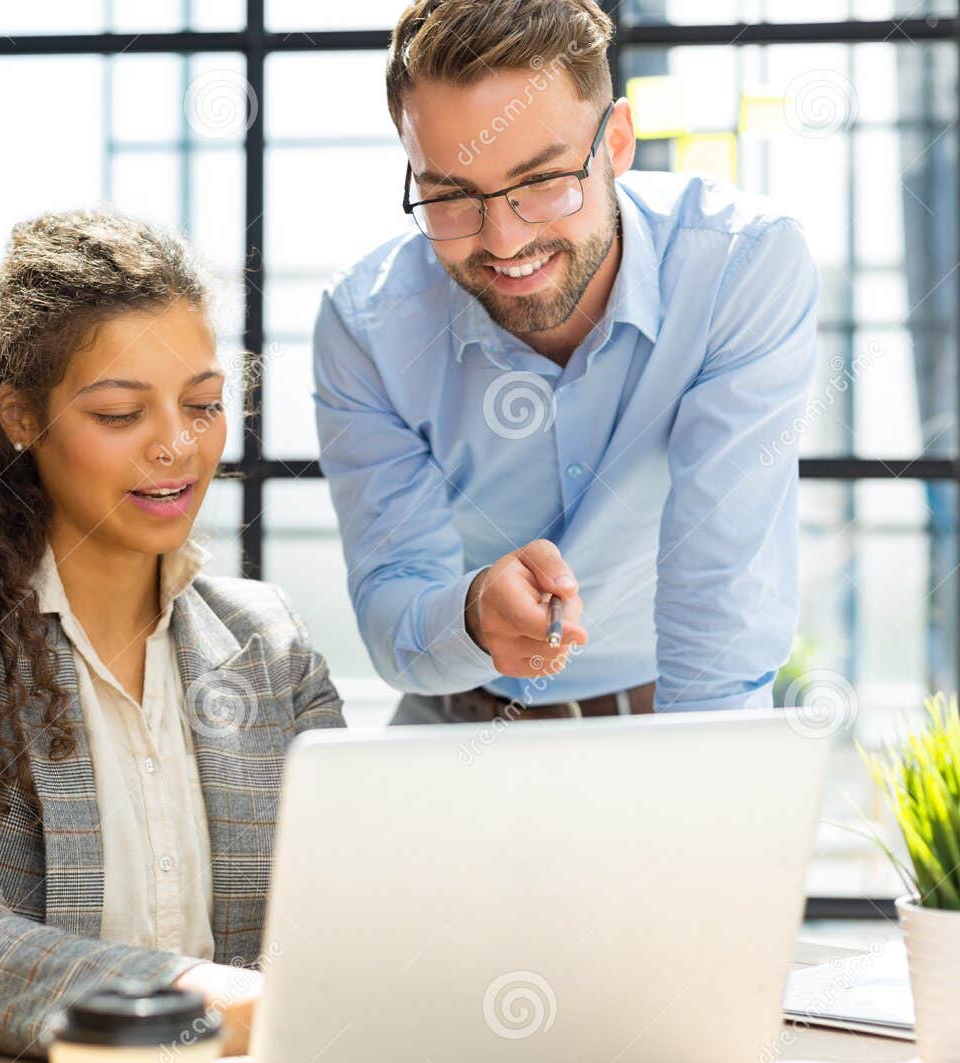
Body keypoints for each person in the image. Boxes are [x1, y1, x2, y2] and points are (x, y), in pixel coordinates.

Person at [0, 209, 343, 1059]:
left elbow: (350, 908)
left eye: (202, 405)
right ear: (21, 417)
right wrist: (204, 1000)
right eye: (122, 414)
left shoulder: (269, 646)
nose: (177, 445)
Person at [314, 0, 819, 725]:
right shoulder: (366, 325)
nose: (505, 240)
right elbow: (392, 607)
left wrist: (708, 800)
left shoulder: (739, 266)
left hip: (670, 721)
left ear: (615, 142)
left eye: (544, 182)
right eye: (451, 199)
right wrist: (472, 616)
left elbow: (721, 593)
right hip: (459, 735)